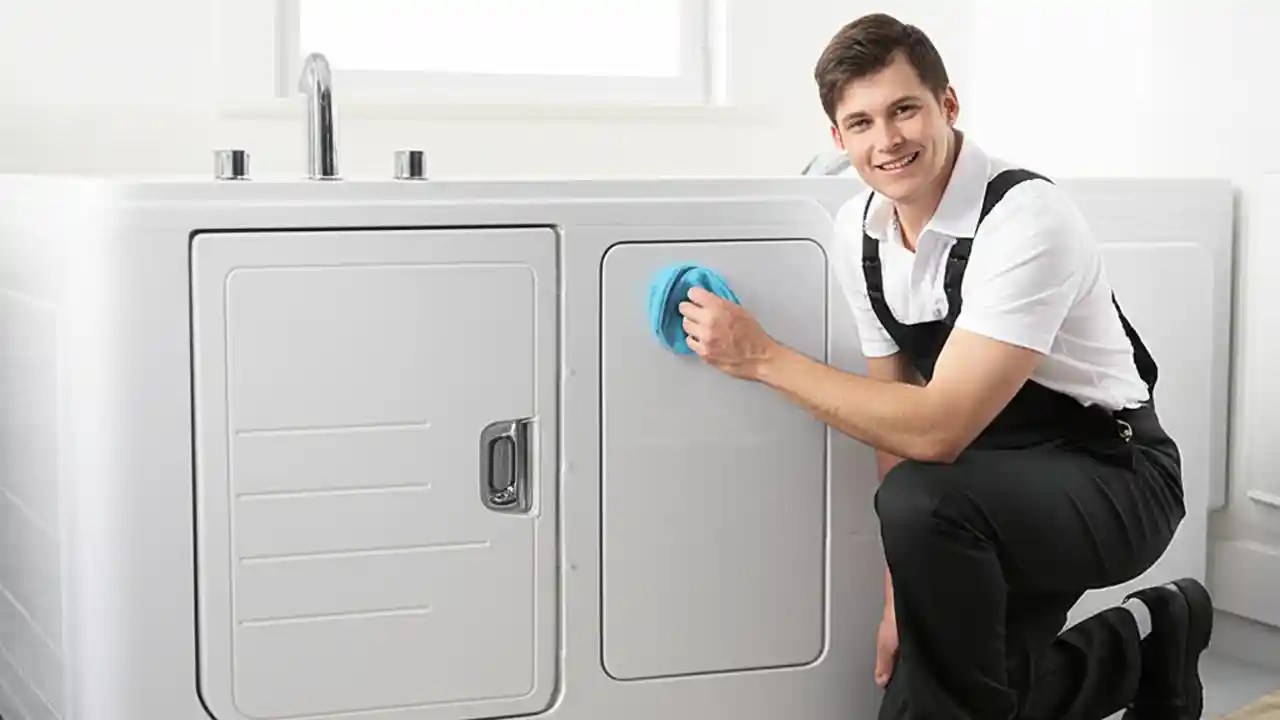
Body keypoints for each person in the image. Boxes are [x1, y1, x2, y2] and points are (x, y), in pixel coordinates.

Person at [676, 11, 1213, 720]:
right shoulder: (858, 231)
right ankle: (1148, 644)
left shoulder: (1025, 218)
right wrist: (903, 595)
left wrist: (763, 358)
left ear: (947, 106)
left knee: (925, 510)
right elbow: (891, 416)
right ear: (838, 139)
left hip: (1117, 479)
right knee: (957, 696)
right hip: (990, 494)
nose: (887, 140)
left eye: (904, 110)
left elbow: (935, 433)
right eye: (861, 123)